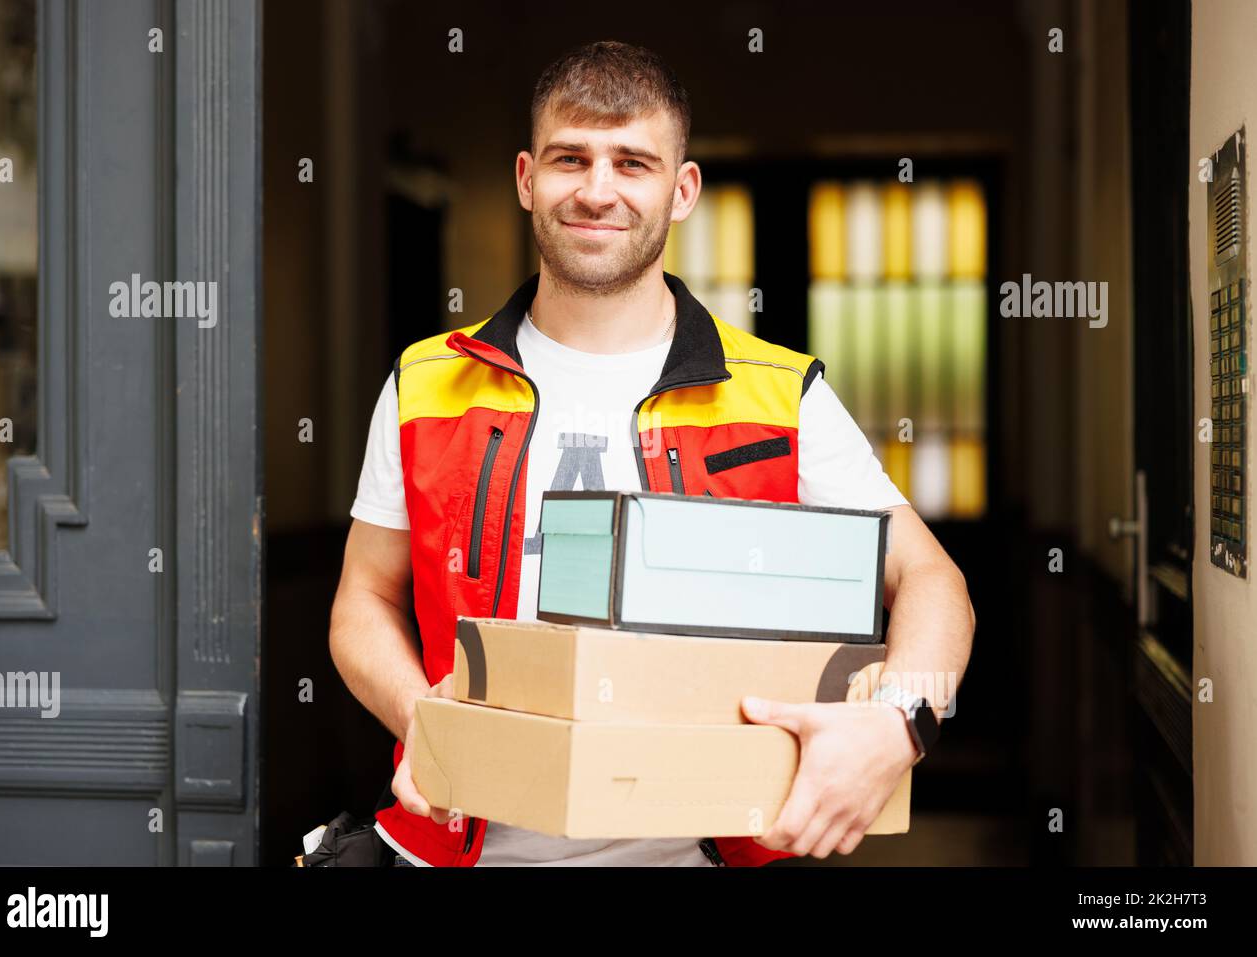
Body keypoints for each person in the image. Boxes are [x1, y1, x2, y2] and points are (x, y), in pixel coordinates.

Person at [329, 40, 975, 867]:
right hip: (446, 847)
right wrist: (424, 716)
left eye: (632, 163)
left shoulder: (779, 393)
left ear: (682, 189)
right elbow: (360, 603)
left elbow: (934, 581)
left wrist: (900, 723)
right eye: (571, 158)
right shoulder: (427, 381)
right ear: (527, 178)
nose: (598, 190)